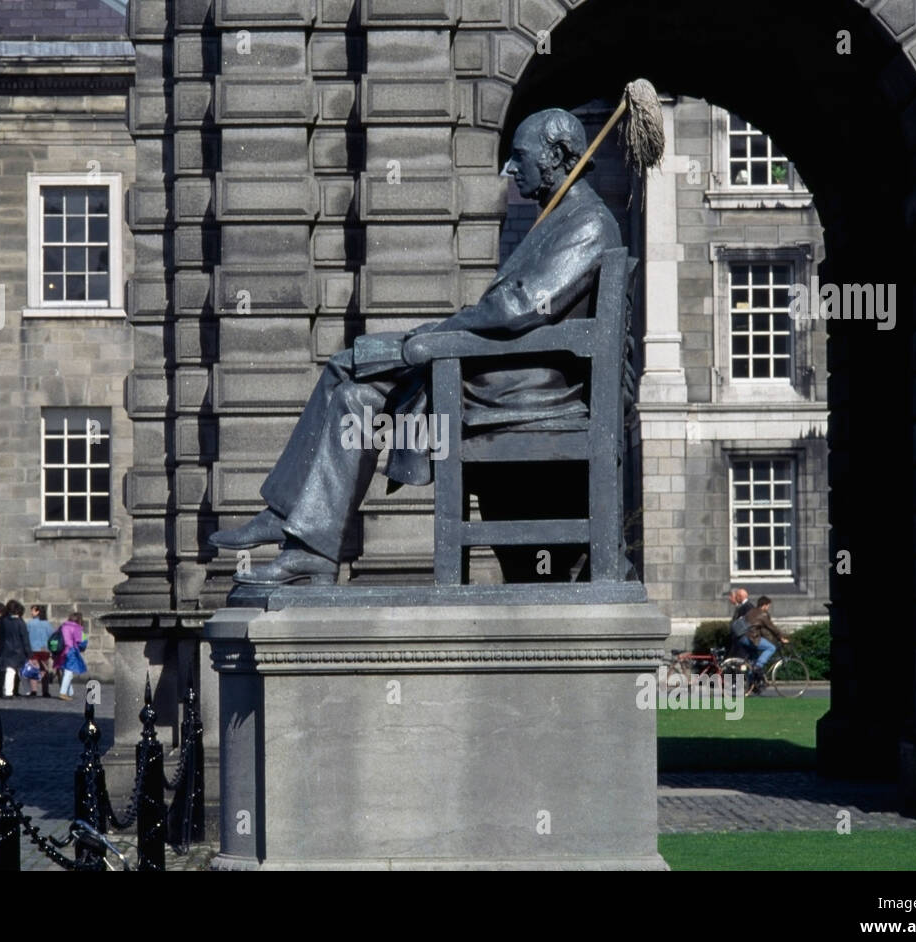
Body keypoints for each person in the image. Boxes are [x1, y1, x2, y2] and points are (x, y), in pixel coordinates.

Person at [210, 107, 624, 586]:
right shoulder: (560, 217)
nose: (510, 168)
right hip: (505, 372)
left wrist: (441, 332)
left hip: (522, 388)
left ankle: (285, 513)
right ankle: (308, 544)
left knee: (351, 364)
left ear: (557, 157)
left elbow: (523, 305)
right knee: (355, 398)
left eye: (520, 157)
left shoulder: (588, 221)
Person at [740, 595, 790, 693]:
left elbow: (762, 629)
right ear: (764, 605)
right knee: (771, 648)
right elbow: (771, 627)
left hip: (742, 638)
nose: (768, 608)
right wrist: (781, 638)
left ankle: (751, 685)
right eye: (768, 606)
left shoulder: (751, 612)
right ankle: (759, 666)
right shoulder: (762, 614)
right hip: (752, 638)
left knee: (753, 661)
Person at [0, 599, 31, 699]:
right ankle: (28, 691)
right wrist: (29, 652)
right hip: (19, 649)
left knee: (10, 671)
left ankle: (8, 692)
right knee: (22, 671)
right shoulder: (20, 622)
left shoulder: (2, 620)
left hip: (5, 648)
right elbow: (25, 637)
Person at [55, 611, 87, 701]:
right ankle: (63, 693)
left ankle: (69, 692)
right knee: (69, 672)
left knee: (66, 672)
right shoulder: (77, 628)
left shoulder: (63, 626)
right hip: (70, 651)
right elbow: (81, 642)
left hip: (61, 651)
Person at [25, 603, 54, 697]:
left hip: (33, 649)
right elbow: (51, 636)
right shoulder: (47, 624)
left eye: (33, 610)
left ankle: (34, 690)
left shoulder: (29, 623)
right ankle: (45, 691)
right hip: (44, 649)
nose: (31, 612)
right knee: (44, 670)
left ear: (37, 612)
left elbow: (25, 636)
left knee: (33, 670)